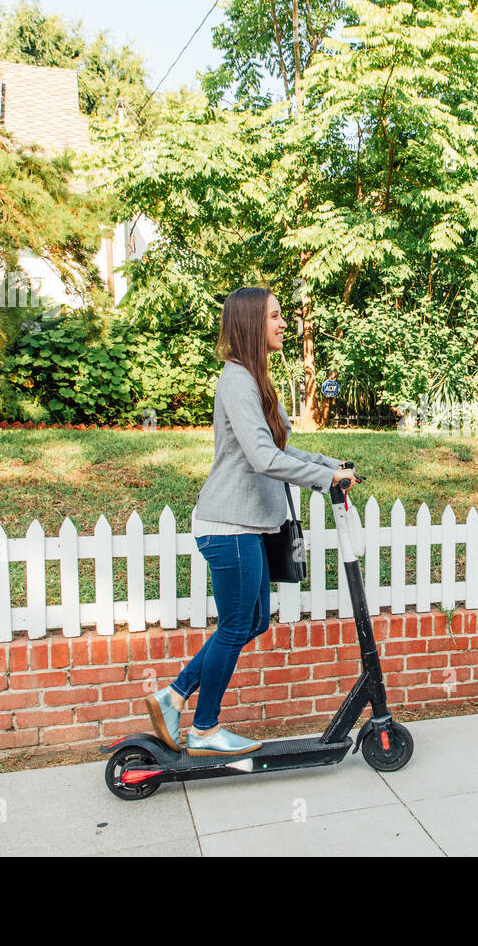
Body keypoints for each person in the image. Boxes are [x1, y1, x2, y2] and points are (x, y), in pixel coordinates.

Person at [142, 287, 358, 756]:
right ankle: (203, 728)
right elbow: (262, 458)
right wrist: (323, 482)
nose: (283, 324)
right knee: (239, 623)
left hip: (247, 527)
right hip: (228, 525)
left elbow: (280, 449)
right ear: (250, 323)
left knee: (254, 619)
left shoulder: (256, 380)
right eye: (275, 317)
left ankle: (173, 695)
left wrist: (329, 465)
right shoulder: (236, 381)